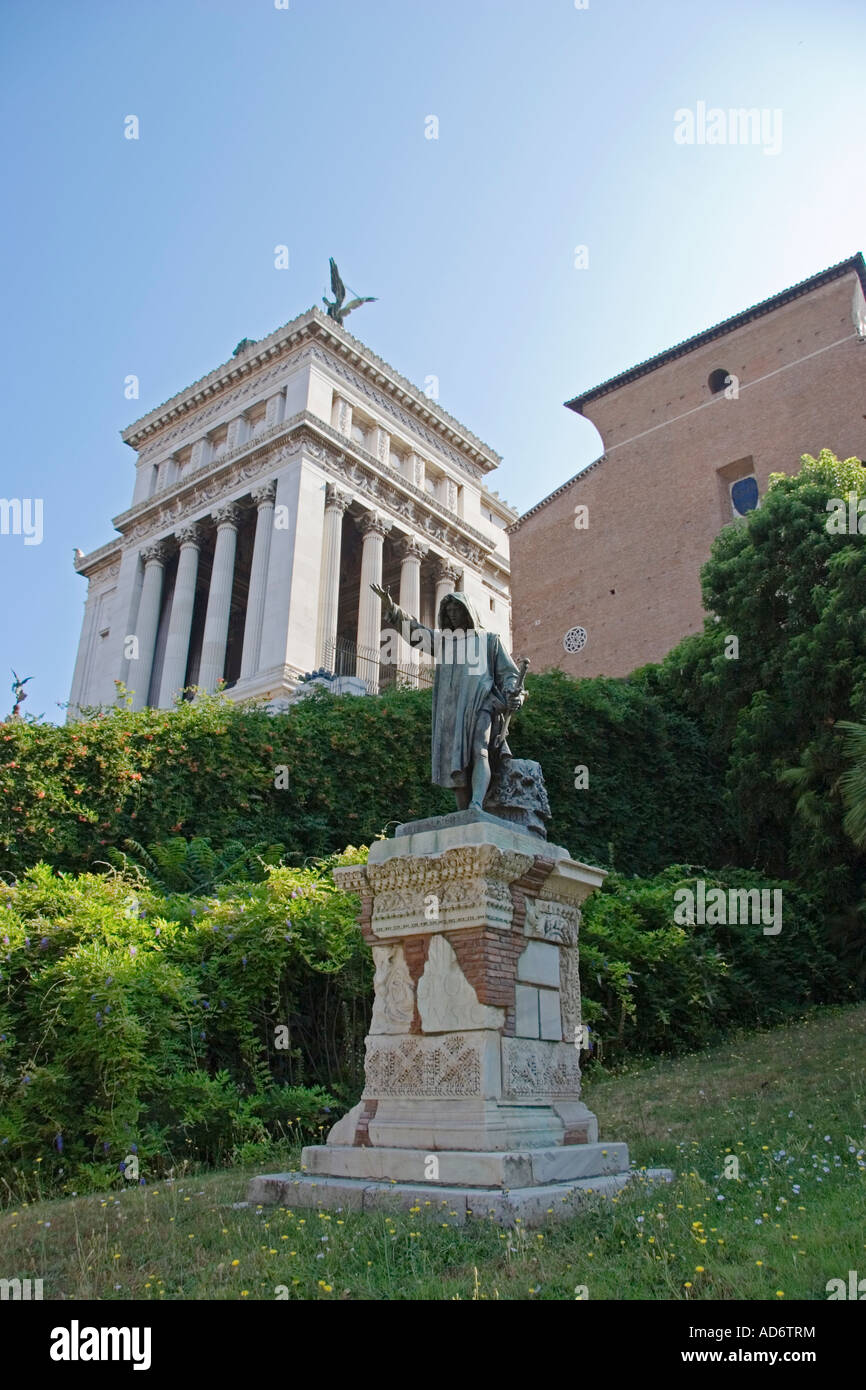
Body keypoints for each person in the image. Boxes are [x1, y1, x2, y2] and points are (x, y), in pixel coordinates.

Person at [371, 584, 525, 811]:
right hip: (450, 709)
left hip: (480, 703)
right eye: (449, 610)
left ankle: (476, 804)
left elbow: (509, 674)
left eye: (456, 609)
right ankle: (464, 813)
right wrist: (393, 609)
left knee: (479, 749)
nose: (452, 614)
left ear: (468, 611)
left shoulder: (490, 640)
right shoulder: (444, 641)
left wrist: (515, 694)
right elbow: (416, 633)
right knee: (455, 763)